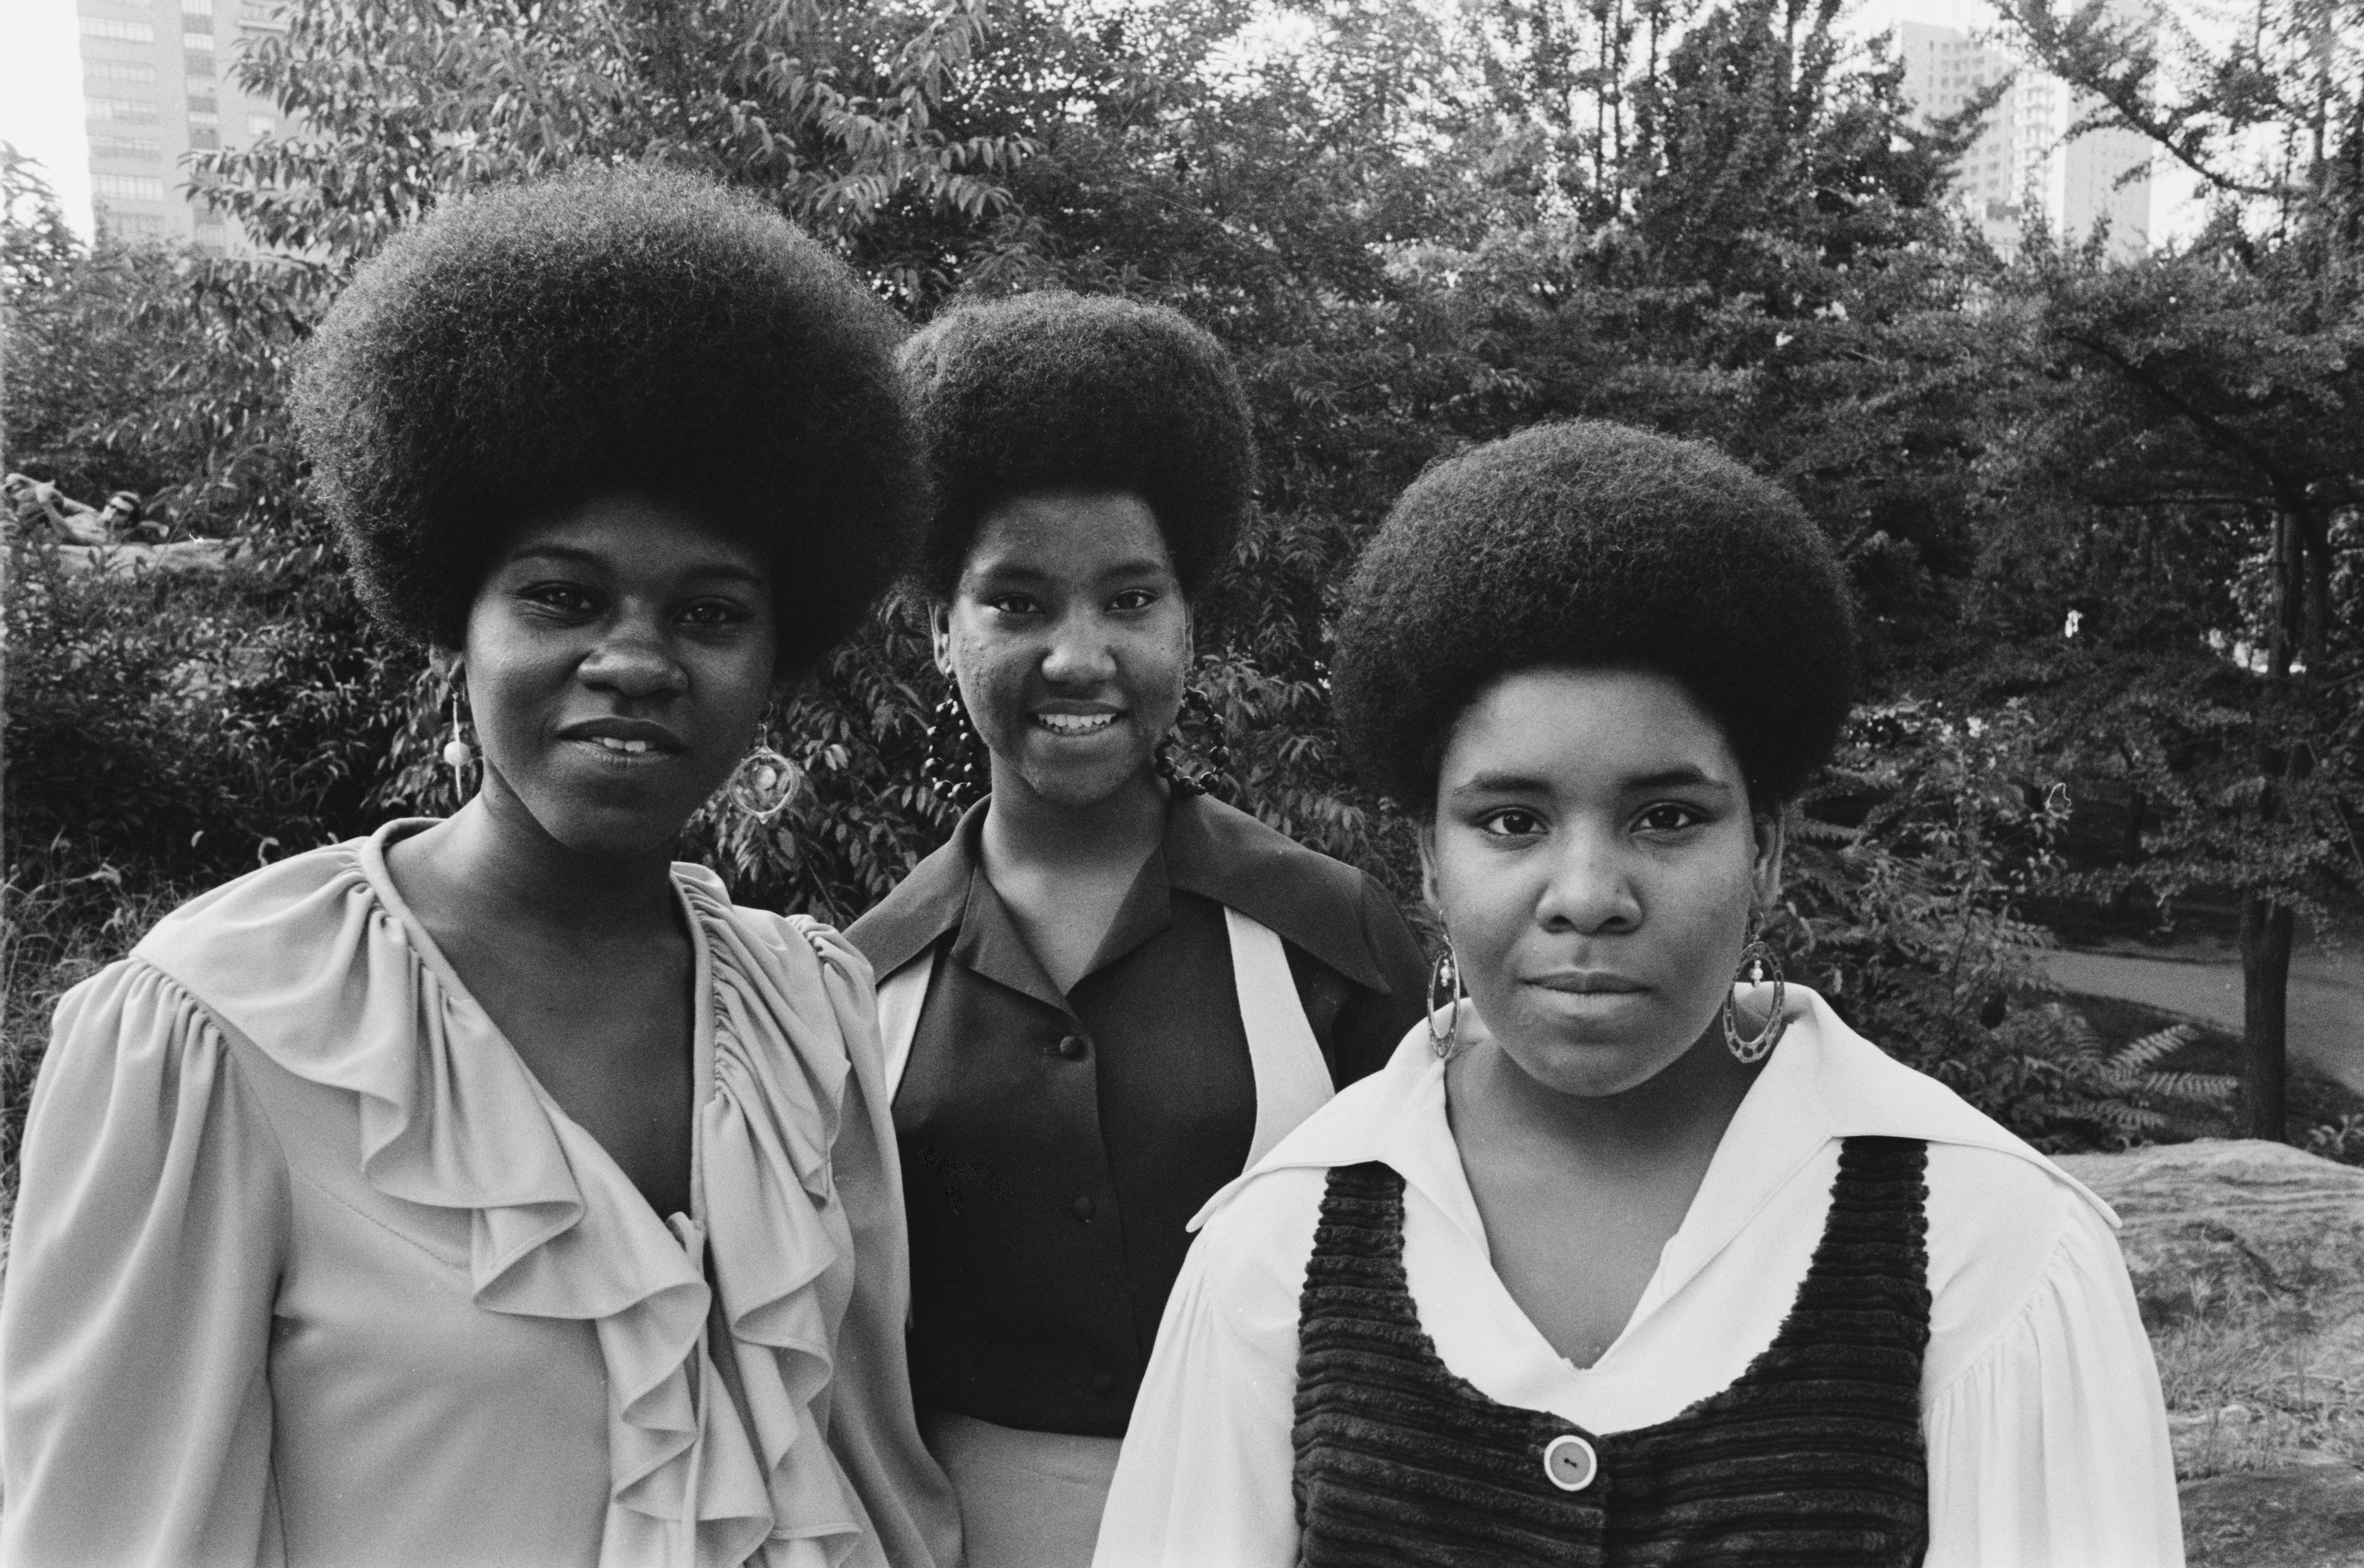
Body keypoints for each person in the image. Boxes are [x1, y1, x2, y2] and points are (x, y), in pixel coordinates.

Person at [0, 167, 960, 1568]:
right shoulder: (219, 1033)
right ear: (453, 612)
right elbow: (113, 1530)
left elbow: (873, 1484)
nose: (635, 661)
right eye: (564, 598)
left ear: (778, 653)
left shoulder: (809, 1015)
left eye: (708, 613)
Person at [1094, 421, 2183, 1568]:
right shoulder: (1280, 1249)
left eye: (1667, 818)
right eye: (1511, 822)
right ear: (1427, 861)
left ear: (1765, 850)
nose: (1588, 895)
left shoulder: (1990, 1252)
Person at [848, 292, 1430, 1568]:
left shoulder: (1333, 942)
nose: (1079, 655)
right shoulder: (859, 989)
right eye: (1016, 604)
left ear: (1186, 621)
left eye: (1129, 599)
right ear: (941, 625)